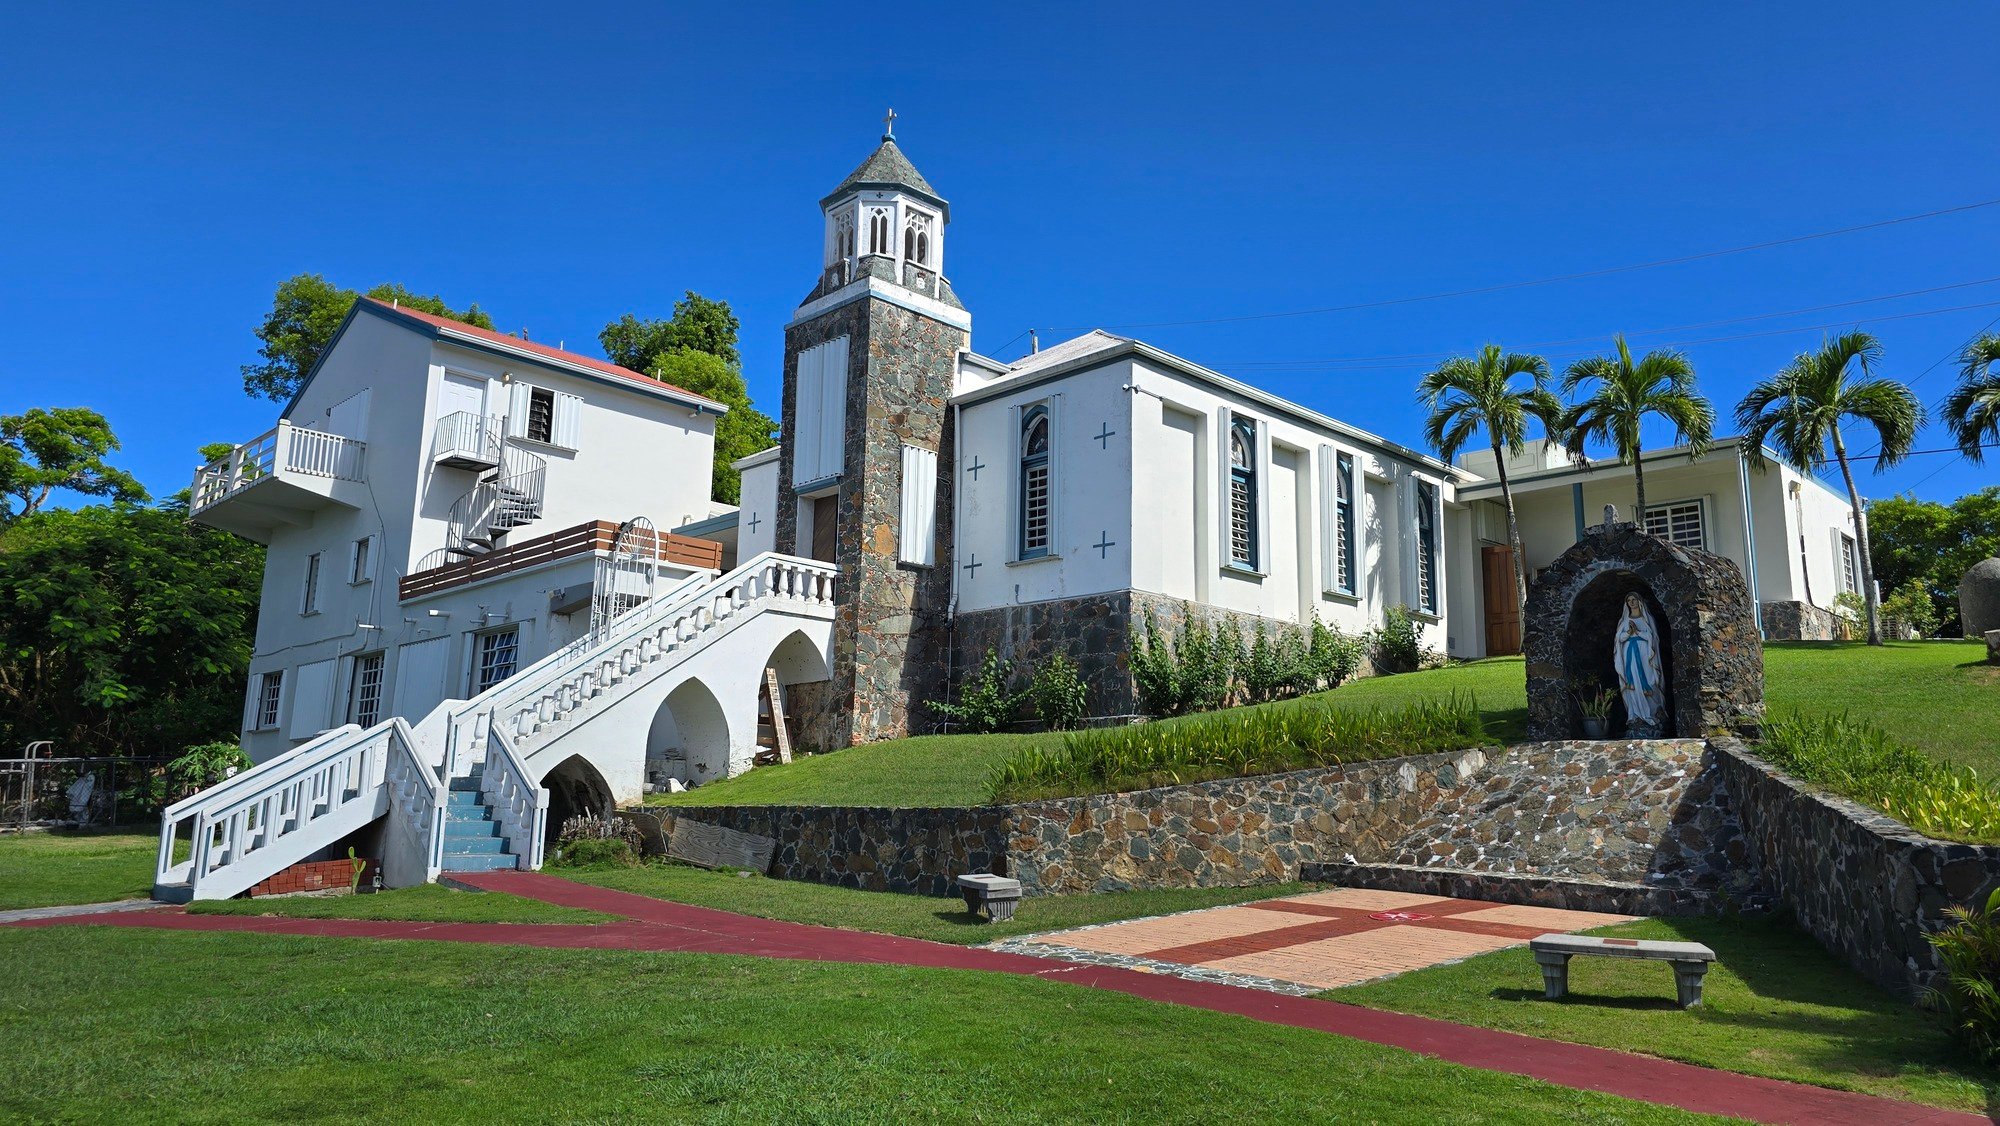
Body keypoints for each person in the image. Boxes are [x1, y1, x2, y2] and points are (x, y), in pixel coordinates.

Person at [1614, 593, 1666, 736]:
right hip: (1629, 654)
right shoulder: (1624, 620)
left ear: (1639, 601)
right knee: (1633, 685)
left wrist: (1638, 632)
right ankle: (1635, 715)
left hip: (1645, 656)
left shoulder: (1647, 618)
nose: (1631, 602)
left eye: (1634, 599)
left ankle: (1651, 713)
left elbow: (1653, 637)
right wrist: (1628, 633)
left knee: (1650, 680)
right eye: (1629, 600)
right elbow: (1618, 639)